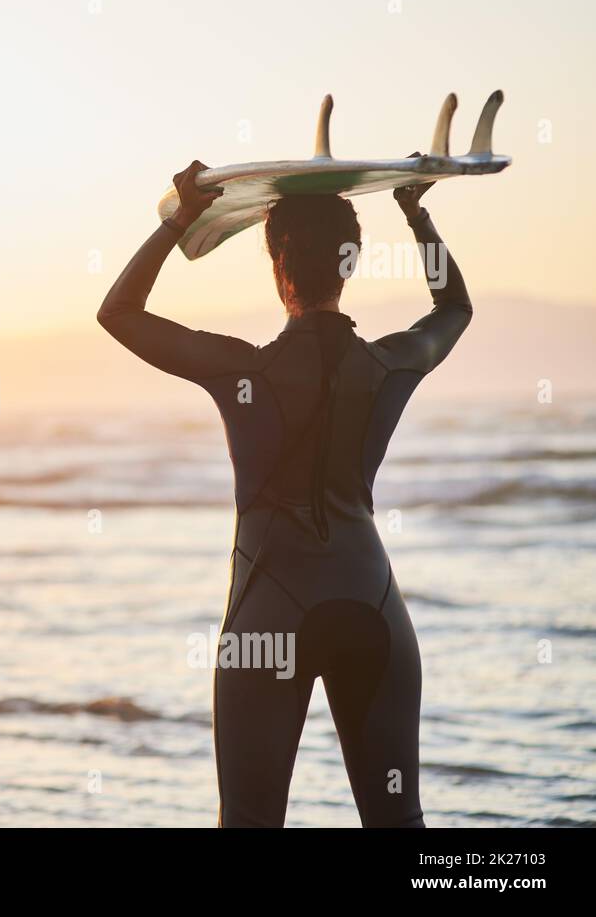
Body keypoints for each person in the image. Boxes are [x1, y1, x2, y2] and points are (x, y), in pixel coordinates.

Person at [97, 160, 471, 827]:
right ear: (350, 263)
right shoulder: (390, 364)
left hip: (270, 614)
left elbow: (118, 312)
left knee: (249, 821)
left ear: (276, 265)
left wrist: (177, 222)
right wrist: (417, 214)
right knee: (400, 825)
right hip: (374, 610)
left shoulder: (241, 369)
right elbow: (454, 309)